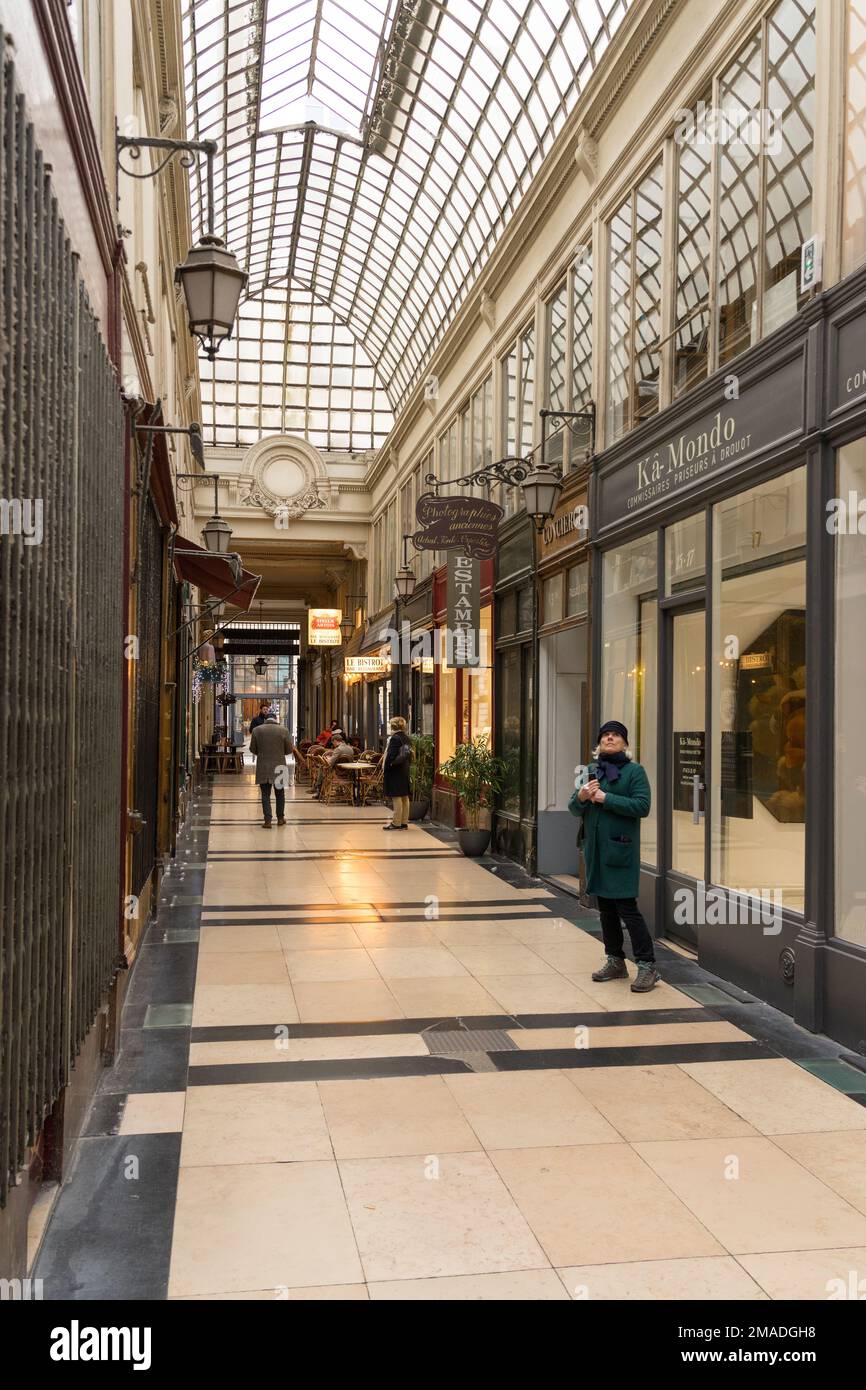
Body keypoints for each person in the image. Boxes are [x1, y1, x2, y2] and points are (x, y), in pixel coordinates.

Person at [568, 720, 660, 992]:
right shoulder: (590, 771)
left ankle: (647, 965)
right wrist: (582, 797)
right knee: (606, 908)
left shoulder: (634, 772)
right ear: (599, 744)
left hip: (620, 851)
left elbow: (642, 806)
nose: (609, 738)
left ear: (625, 744)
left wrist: (606, 798)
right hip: (596, 851)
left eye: (616, 735)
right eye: (605, 735)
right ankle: (616, 960)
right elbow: (573, 808)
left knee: (627, 909)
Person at [249, 710, 293, 828]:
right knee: (280, 794)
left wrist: (263, 753)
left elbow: (252, 749)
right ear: (276, 719)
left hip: (263, 766)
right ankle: (280, 818)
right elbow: (289, 750)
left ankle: (267, 820)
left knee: (265, 794)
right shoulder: (284, 730)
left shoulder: (257, 730)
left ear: (265, 719)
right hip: (280, 765)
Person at [382, 716, 412, 830]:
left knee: (396, 796)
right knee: (404, 796)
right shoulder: (406, 737)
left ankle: (396, 823)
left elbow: (391, 756)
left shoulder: (395, 738)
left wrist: (388, 766)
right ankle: (404, 822)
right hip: (404, 769)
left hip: (395, 770)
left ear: (393, 726)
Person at [310, 730, 354, 797]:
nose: (333, 744)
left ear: (335, 741)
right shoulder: (350, 748)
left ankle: (318, 789)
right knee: (322, 768)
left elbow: (330, 763)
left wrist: (328, 758)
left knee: (322, 767)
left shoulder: (338, 749)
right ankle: (336, 790)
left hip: (338, 772)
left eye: (333, 742)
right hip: (348, 772)